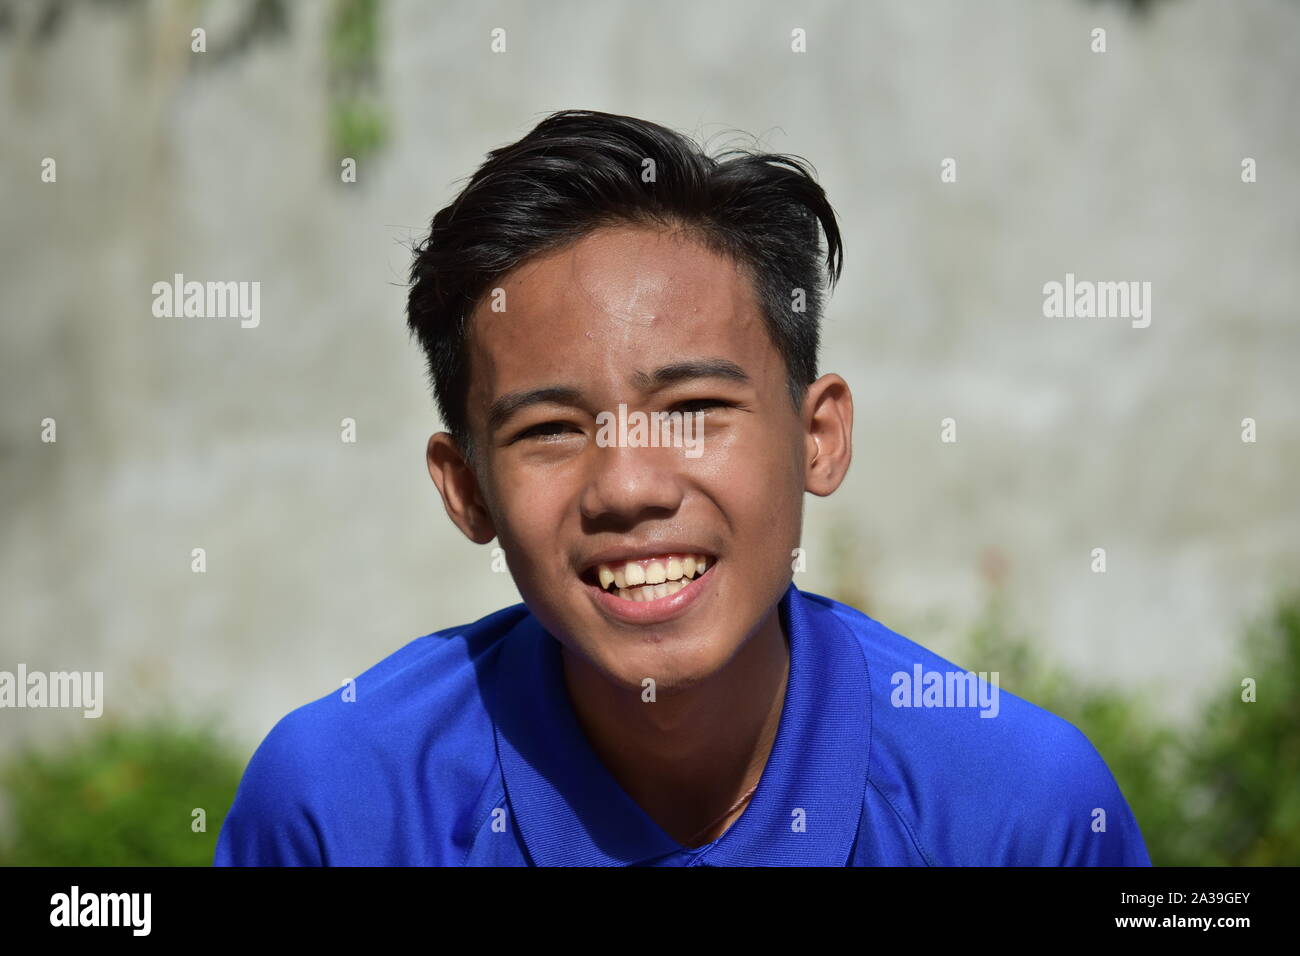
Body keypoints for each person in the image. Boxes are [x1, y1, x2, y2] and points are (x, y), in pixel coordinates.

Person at [214, 109, 1151, 866]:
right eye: (548, 429)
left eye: (694, 409)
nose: (626, 485)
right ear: (468, 493)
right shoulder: (344, 811)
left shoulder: (1017, 815)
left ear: (818, 437)